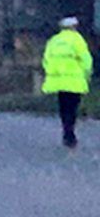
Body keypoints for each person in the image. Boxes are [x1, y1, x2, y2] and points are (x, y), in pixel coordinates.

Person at [42, 16, 93, 148]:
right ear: (74, 27)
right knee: (73, 107)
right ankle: (70, 133)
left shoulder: (54, 41)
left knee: (63, 107)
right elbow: (86, 60)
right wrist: (87, 74)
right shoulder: (77, 40)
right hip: (74, 81)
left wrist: (52, 74)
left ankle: (66, 131)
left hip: (58, 81)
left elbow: (46, 60)